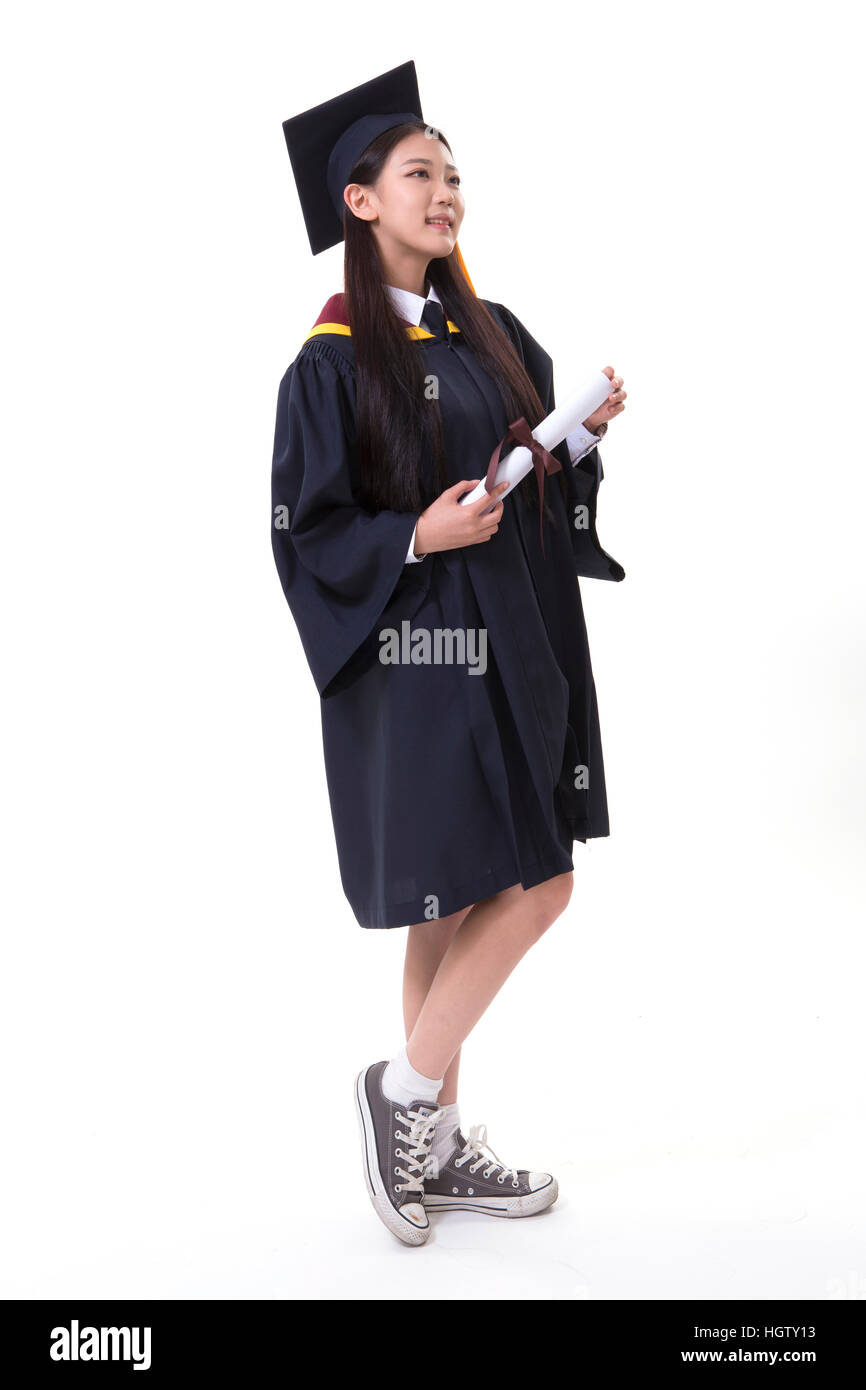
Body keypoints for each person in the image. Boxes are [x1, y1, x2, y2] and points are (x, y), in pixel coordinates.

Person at [272, 61, 627, 1246]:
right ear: (358, 201)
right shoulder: (328, 365)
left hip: (508, 645)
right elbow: (310, 531)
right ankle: (402, 1093)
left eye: (454, 175)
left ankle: (434, 1140)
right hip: (418, 662)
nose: (447, 193)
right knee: (538, 882)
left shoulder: (487, 330)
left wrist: (567, 443)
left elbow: (513, 474)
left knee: (457, 896)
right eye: (421, 173)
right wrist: (415, 532)